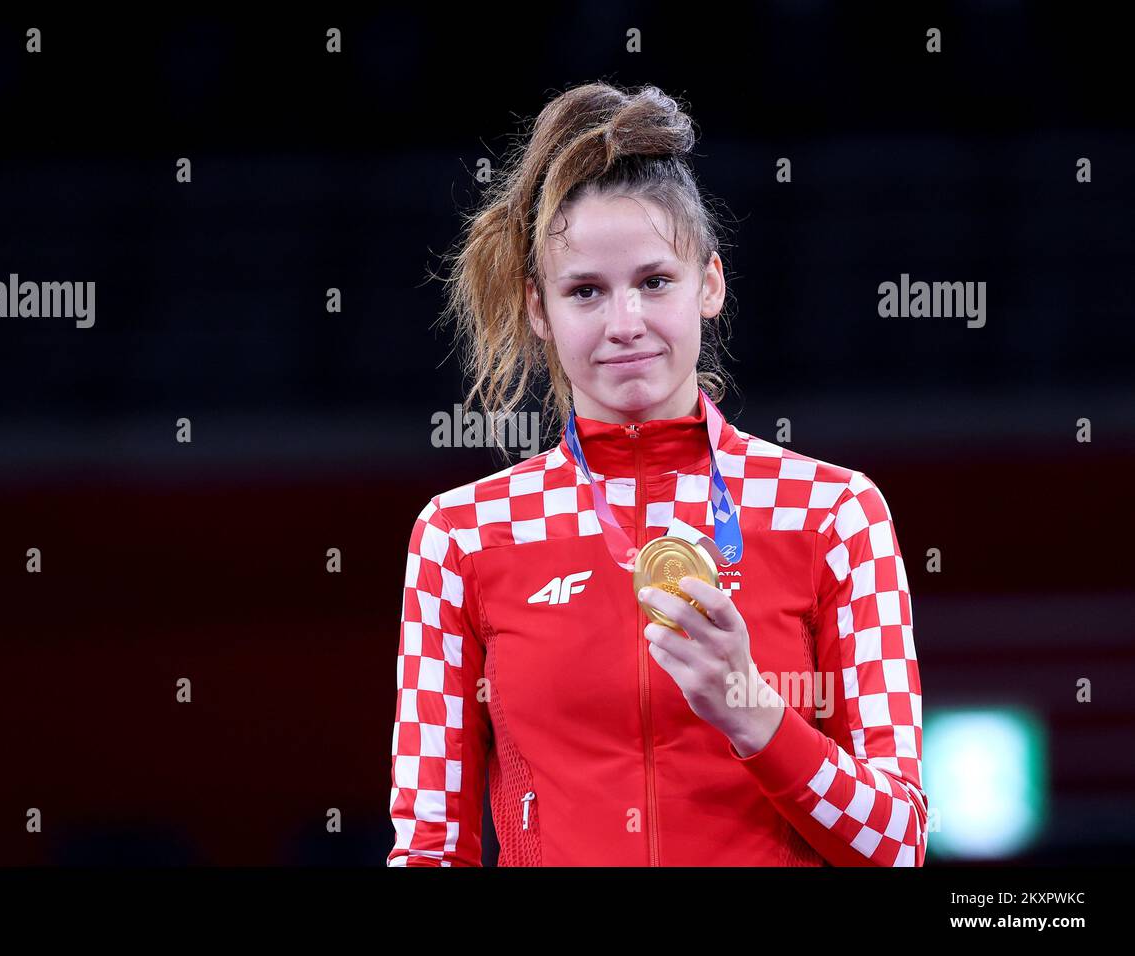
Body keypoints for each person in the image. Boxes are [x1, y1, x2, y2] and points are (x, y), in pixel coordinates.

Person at [385, 82, 927, 866]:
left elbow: (901, 845)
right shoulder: (464, 536)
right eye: (585, 293)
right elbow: (431, 848)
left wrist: (752, 713)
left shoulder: (834, 514)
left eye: (653, 281)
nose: (624, 324)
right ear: (540, 309)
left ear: (709, 283)